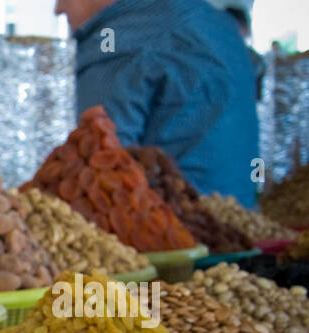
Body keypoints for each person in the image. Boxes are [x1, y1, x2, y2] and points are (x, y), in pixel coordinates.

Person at [56, 0, 259, 206]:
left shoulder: (124, 38)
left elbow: (90, 171)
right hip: (238, 226)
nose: (58, 9)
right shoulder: (215, 23)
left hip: (174, 229)